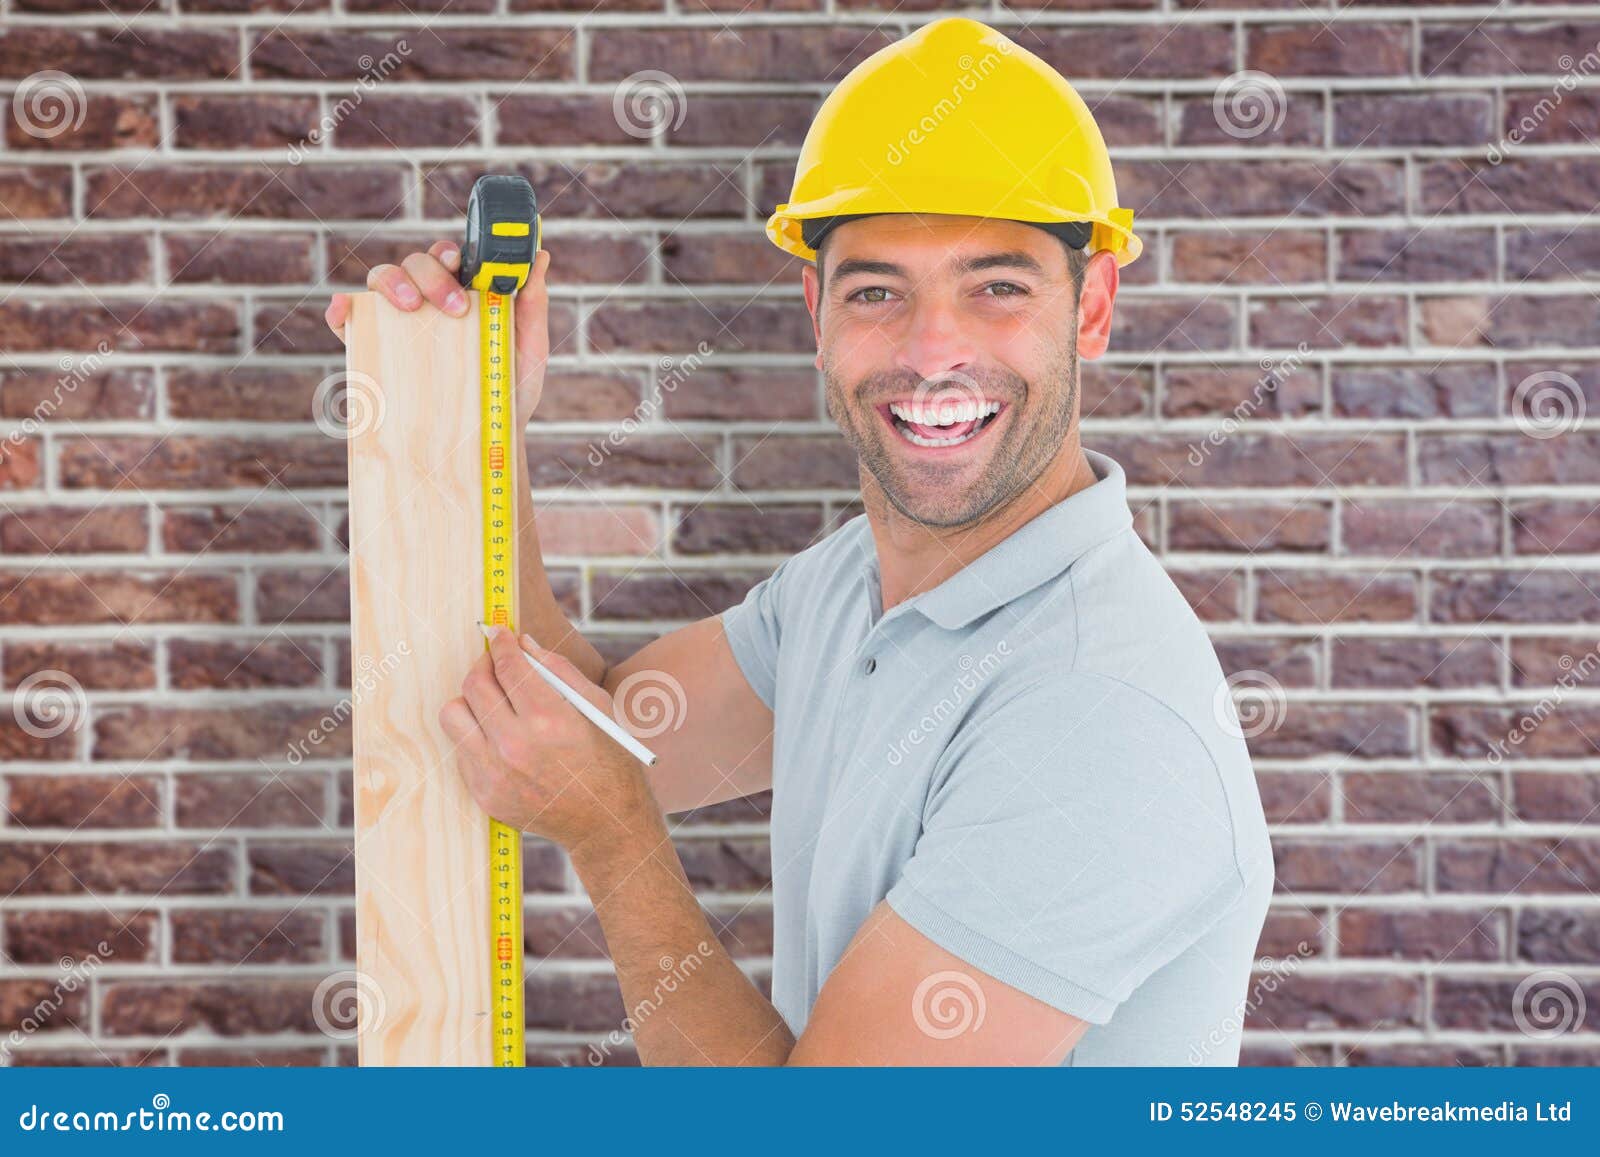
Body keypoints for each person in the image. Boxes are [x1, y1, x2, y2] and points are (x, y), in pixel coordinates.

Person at [325, 16, 1274, 1066]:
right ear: (814, 309)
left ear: (1089, 305)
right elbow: (593, 724)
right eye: (877, 290)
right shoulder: (843, 591)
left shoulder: (1098, 710)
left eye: (995, 286)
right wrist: (483, 415)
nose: (932, 350)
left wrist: (615, 842)